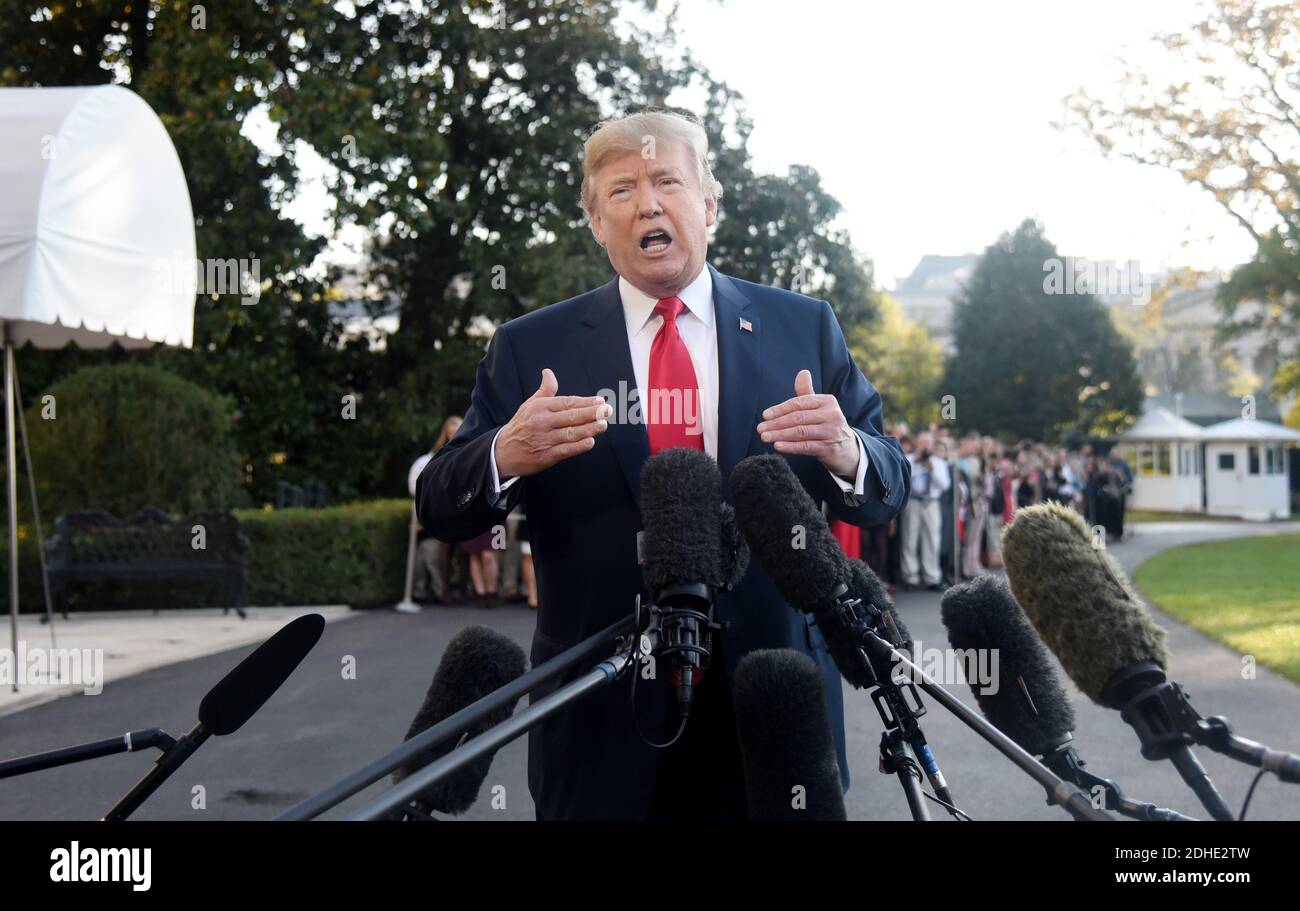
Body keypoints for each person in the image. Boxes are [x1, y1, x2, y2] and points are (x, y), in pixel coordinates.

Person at [417, 110, 911, 821]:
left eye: (667, 181)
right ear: (594, 220)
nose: (647, 202)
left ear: (708, 203)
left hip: (770, 713)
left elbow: (888, 485)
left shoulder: (804, 326)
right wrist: (503, 452)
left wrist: (848, 450)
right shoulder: (531, 348)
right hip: (599, 719)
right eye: (620, 191)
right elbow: (440, 500)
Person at [407, 416, 462, 605]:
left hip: (458, 509)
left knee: (454, 554)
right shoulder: (429, 459)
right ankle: (438, 592)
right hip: (436, 510)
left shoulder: (466, 453)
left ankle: (447, 590)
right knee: (433, 555)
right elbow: (417, 488)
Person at [899, 431, 949, 591]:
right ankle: (910, 576)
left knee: (932, 539)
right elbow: (903, 480)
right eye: (923, 443)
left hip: (931, 503)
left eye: (929, 443)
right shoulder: (909, 460)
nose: (926, 446)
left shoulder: (938, 462)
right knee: (909, 539)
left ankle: (932, 577)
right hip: (913, 501)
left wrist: (931, 468)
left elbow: (945, 485)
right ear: (917, 444)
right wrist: (918, 465)